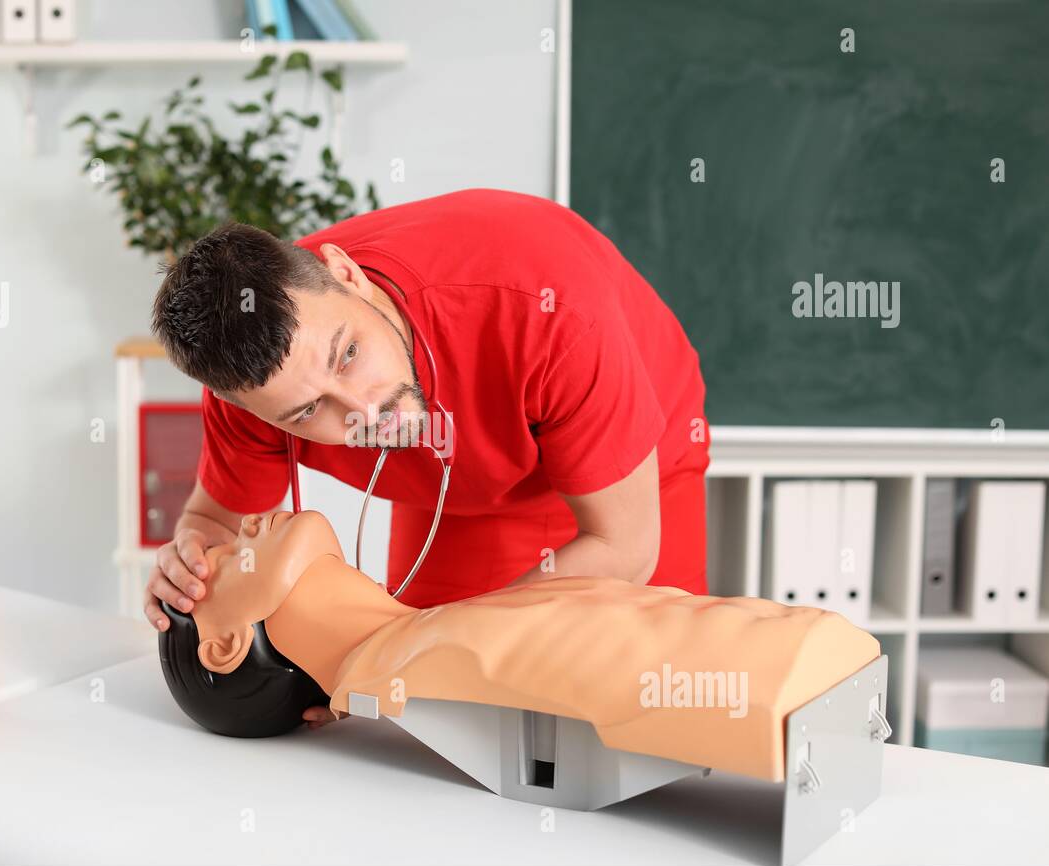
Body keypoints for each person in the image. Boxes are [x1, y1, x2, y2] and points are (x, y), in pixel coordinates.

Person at [147, 188, 710, 727]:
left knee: (647, 703)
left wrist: (416, 645)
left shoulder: (550, 309)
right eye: (307, 412)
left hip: (626, 478)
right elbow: (213, 525)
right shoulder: (253, 393)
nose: (365, 412)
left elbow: (623, 547)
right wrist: (188, 567)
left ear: (347, 275)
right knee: (427, 713)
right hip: (453, 492)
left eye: (348, 355)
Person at [162, 509, 879, 782]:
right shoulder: (437, 657)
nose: (240, 527)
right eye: (215, 564)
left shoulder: (446, 631)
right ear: (224, 647)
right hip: (808, 674)